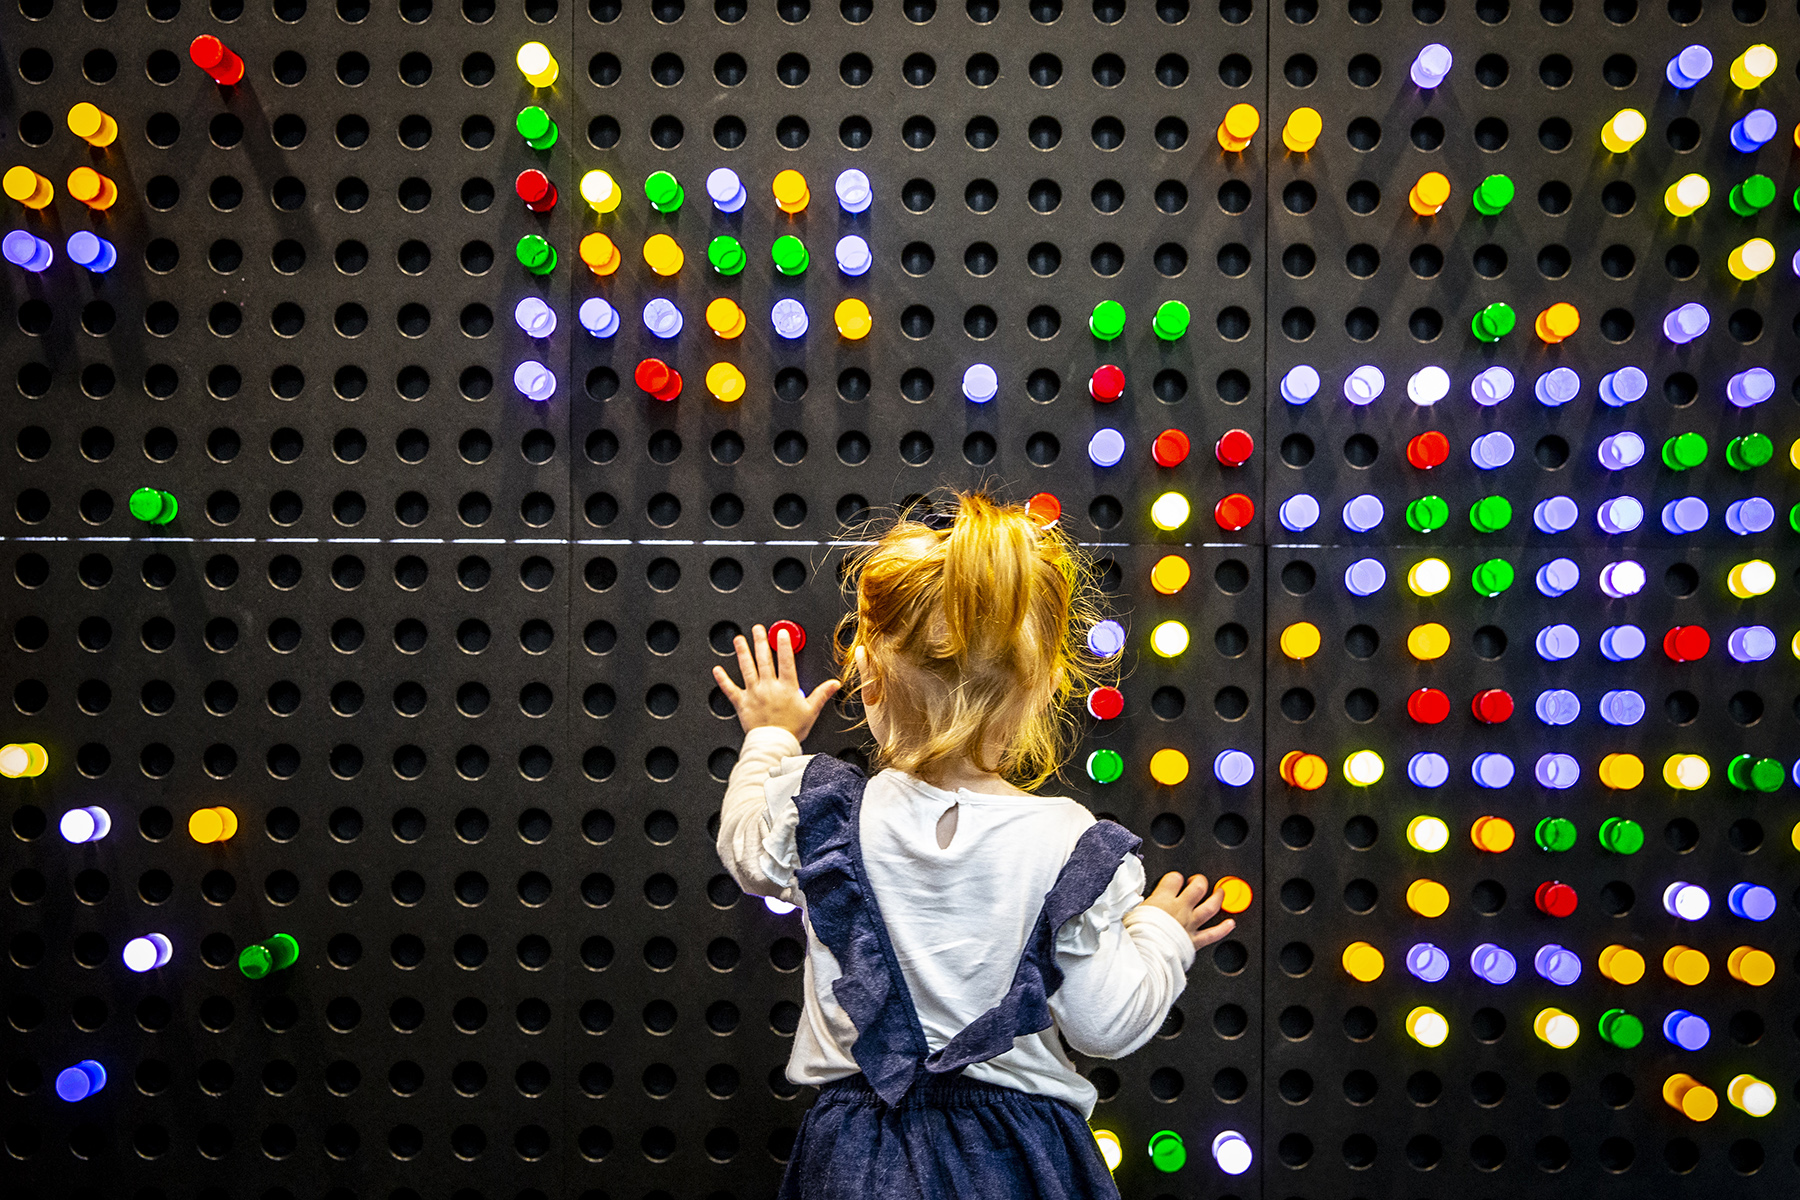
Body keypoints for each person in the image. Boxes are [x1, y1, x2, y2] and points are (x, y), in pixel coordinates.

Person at [713, 491, 1238, 1199]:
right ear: (1047, 690)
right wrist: (1160, 937)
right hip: (1020, 1158)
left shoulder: (822, 814)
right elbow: (1103, 1025)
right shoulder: (1067, 841)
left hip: (858, 1155)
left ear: (869, 680)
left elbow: (744, 846)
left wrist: (771, 736)